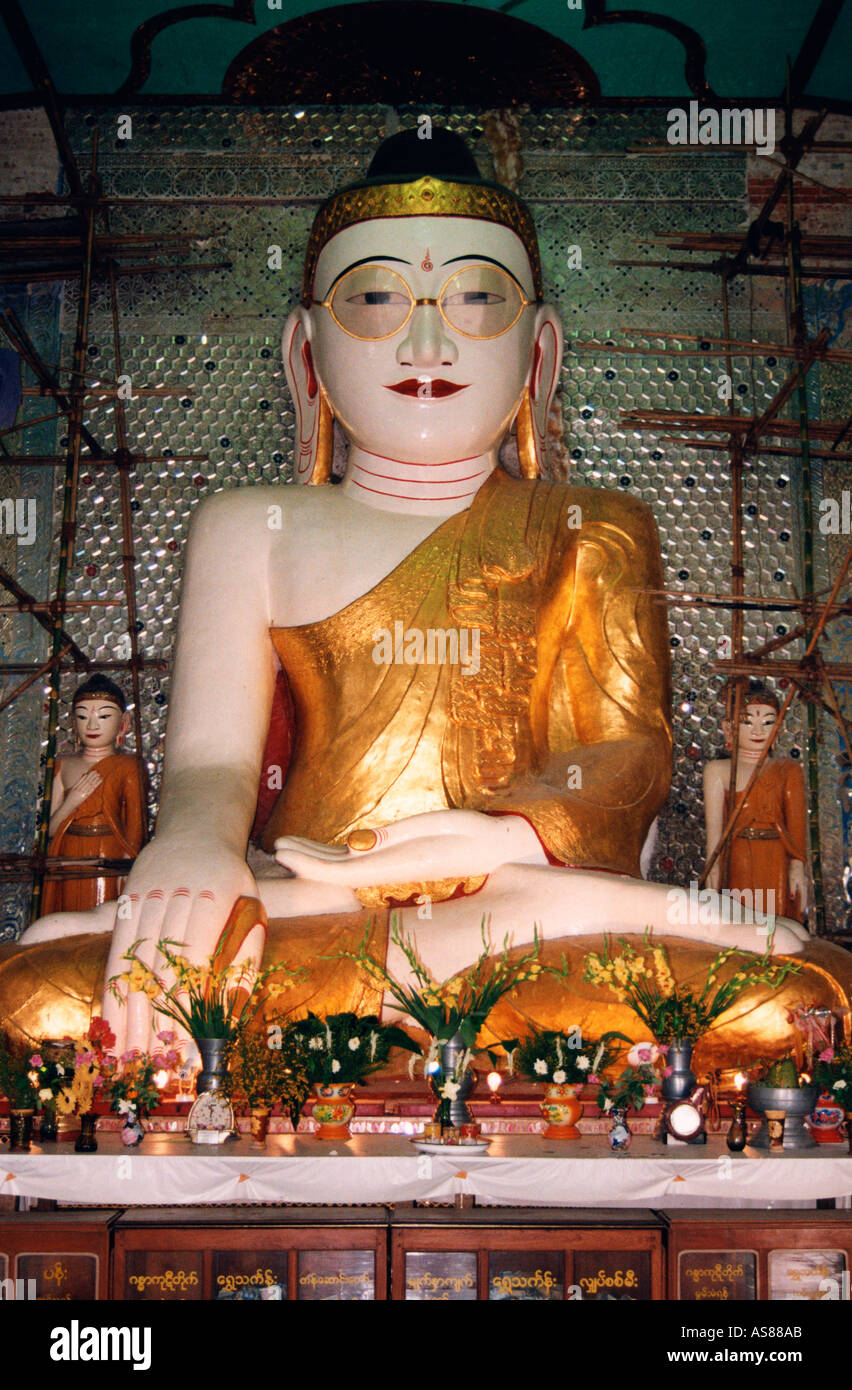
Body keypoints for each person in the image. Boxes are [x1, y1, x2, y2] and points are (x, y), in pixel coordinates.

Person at [19, 128, 809, 1056]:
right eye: (374, 300)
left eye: (478, 298)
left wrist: (496, 842)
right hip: (311, 892)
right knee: (39, 993)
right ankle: (443, 962)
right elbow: (209, 771)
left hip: (507, 883)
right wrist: (190, 852)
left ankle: (469, 940)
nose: (426, 340)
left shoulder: (593, 524)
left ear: (538, 349)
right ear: (305, 348)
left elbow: (626, 751)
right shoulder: (248, 526)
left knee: (783, 1000)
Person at [40, 675, 147, 915]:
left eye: (104, 716)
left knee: (103, 919)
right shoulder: (63, 765)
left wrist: (126, 868)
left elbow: (134, 829)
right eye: (82, 716)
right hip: (68, 853)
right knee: (67, 918)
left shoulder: (129, 766)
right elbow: (50, 830)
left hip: (108, 852)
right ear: (73, 721)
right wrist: (73, 800)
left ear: (123, 722)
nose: (92, 725)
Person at [703, 683, 808, 923]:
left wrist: (797, 866)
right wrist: (713, 868)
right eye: (747, 722)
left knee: (777, 923)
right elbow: (715, 835)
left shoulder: (788, 770)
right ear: (729, 728)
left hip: (776, 859)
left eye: (768, 722)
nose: (758, 730)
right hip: (737, 855)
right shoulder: (718, 771)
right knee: (741, 923)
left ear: (778, 728)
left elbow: (796, 827)